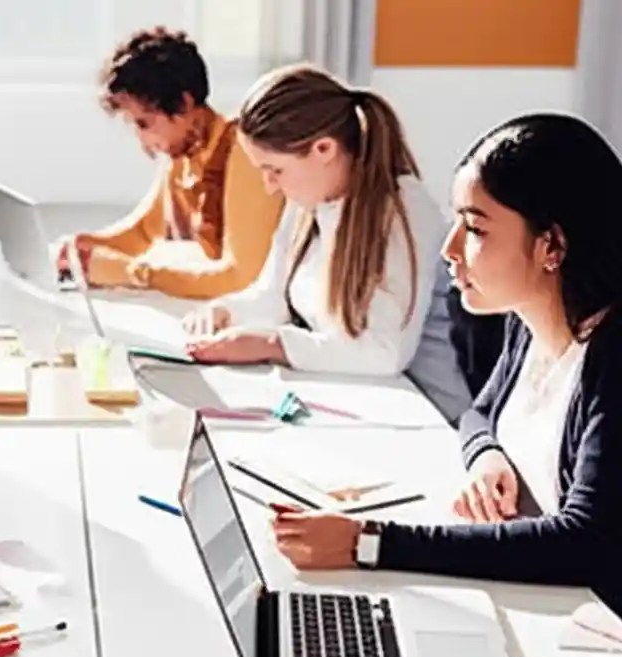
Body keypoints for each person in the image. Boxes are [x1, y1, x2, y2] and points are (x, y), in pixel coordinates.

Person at [270, 113, 622, 613]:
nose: (450, 248)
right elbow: (478, 414)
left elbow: (582, 544)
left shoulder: (610, 358)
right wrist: (487, 457)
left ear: (552, 245)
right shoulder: (528, 321)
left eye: (475, 228)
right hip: (537, 602)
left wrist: (367, 543)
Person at [182, 64, 471, 422]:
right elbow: (274, 295)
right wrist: (225, 311)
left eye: (275, 170)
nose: (269, 186)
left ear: (323, 149)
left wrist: (271, 344)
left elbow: (382, 353)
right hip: (353, 396)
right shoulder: (309, 199)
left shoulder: (402, 211)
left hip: (425, 412)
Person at [63, 27, 283, 299]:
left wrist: (132, 273)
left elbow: (241, 279)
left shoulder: (244, 152)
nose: (143, 141)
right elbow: (143, 232)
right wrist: (79, 248)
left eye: (145, 123)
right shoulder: (183, 157)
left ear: (183, 103)